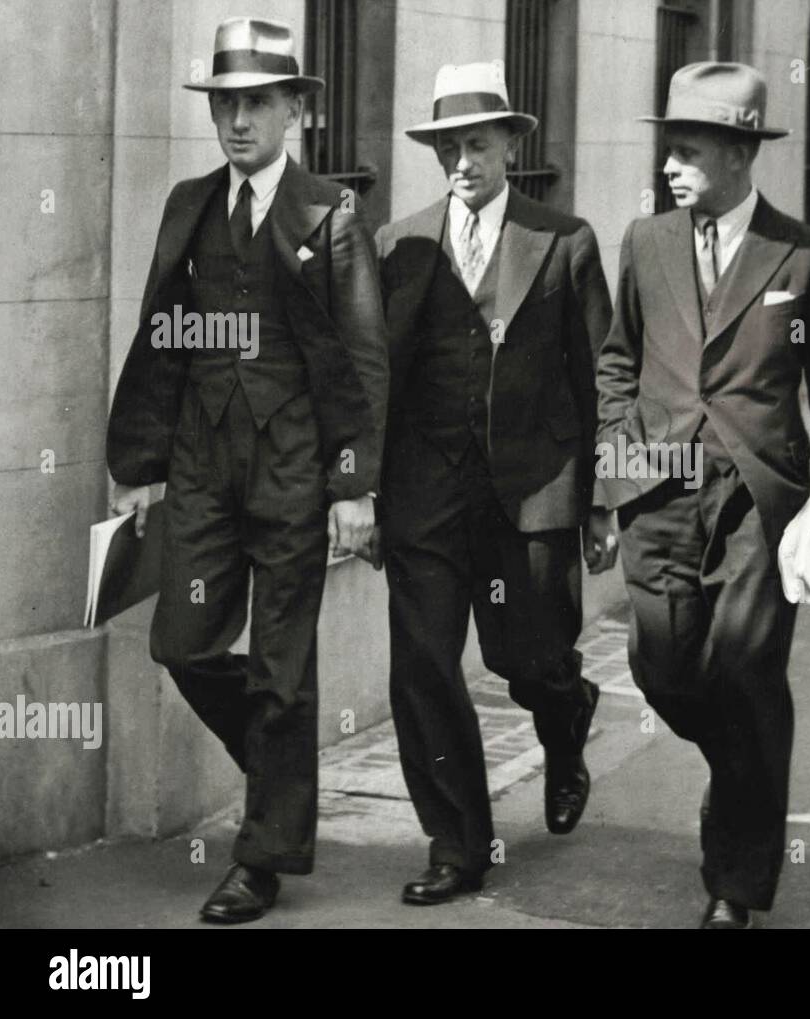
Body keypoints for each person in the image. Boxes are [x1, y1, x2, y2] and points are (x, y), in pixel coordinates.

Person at [106, 17, 387, 923]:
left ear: (294, 111)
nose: (237, 121)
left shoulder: (330, 211)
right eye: (226, 103)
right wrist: (139, 461)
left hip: (296, 474)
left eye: (256, 103)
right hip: (200, 465)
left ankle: (259, 859)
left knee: (280, 670)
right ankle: (283, 781)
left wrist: (353, 485)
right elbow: (164, 338)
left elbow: (359, 358)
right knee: (180, 643)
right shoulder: (190, 204)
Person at [597, 62, 810, 929]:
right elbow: (617, 357)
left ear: (741, 153)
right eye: (667, 149)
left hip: (759, 498)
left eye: (688, 151)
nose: (670, 166)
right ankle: (740, 774)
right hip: (657, 490)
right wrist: (614, 454)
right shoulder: (645, 242)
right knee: (663, 665)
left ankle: (738, 882)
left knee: (746, 669)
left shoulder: (803, 252)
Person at [374, 62, 615, 906]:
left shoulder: (565, 240)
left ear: (513, 143)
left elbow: (599, 379)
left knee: (527, 655)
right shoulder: (398, 247)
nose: (462, 162)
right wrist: (364, 493)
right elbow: (377, 382)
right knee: (424, 667)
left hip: (532, 488)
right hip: (425, 493)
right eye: (448, 147)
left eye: (478, 144)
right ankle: (458, 844)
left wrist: (602, 501)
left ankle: (566, 710)